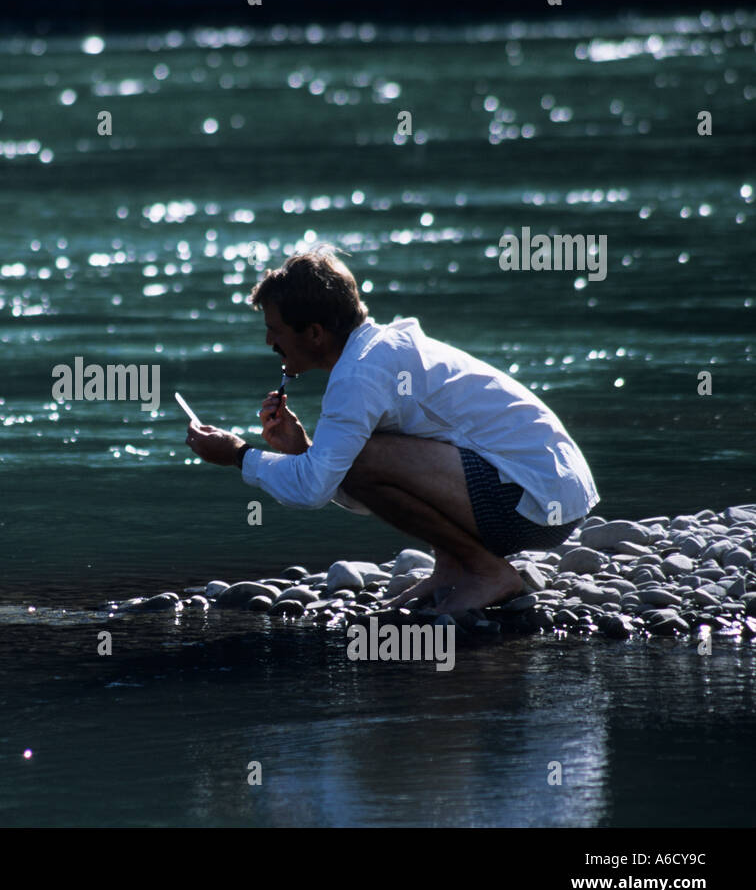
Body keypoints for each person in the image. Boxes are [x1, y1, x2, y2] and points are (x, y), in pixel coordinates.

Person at [185, 244, 599, 614]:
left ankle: (485, 571)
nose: (268, 341)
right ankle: (454, 565)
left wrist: (237, 455)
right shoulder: (378, 352)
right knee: (361, 456)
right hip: (543, 495)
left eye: (274, 330)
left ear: (314, 333)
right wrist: (301, 449)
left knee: (363, 454)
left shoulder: (359, 375)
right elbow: (367, 490)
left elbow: (316, 488)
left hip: (535, 506)